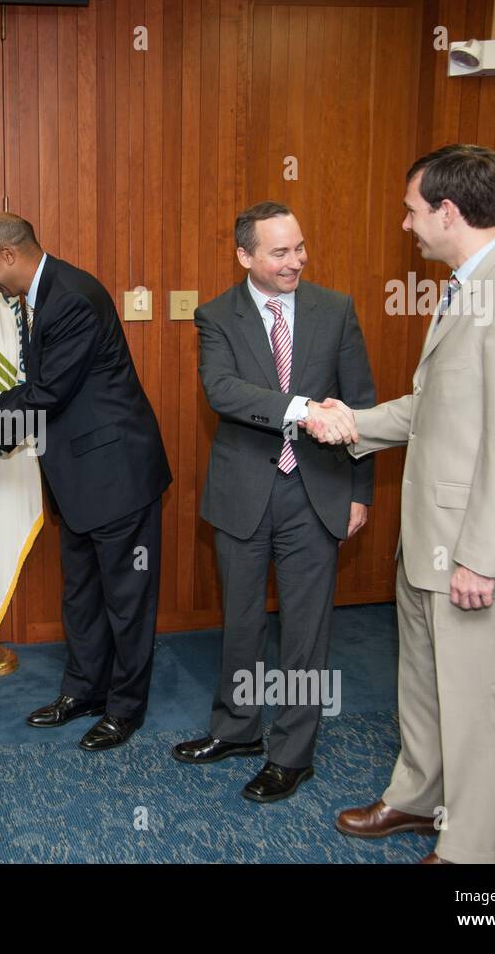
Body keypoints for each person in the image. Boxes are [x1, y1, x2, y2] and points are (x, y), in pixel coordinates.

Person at [309, 145, 495, 863]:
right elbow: (434, 409)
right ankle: (419, 798)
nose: (407, 224)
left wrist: (482, 558)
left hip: (475, 555)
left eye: (413, 210)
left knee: (480, 709)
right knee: (424, 688)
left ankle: (469, 853)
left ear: (448, 212)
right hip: (431, 543)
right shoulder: (468, 285)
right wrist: (351, 419)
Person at [175, 202, 376, 803]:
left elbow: (361, 402)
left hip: (316, 494)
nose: (297, 262)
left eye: (300, 248)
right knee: (240, 624)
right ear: (246, 256)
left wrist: (361, 493)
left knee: (305, 634)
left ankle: (292, 754)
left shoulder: (334, 309)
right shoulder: (216, 315)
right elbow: (223, 391)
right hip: (243, 495)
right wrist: (301, 410)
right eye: (280, 252)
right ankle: (237, 730)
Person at [0, 213, 172, 751]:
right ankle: (83, 691)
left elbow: (45, 396)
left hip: (117, 476)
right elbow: (38, 389)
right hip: (78, 478)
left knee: (126, 599)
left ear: (9, 255)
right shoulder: (45, 295)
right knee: (81, 595)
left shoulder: (72, 298)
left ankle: (125, 708)